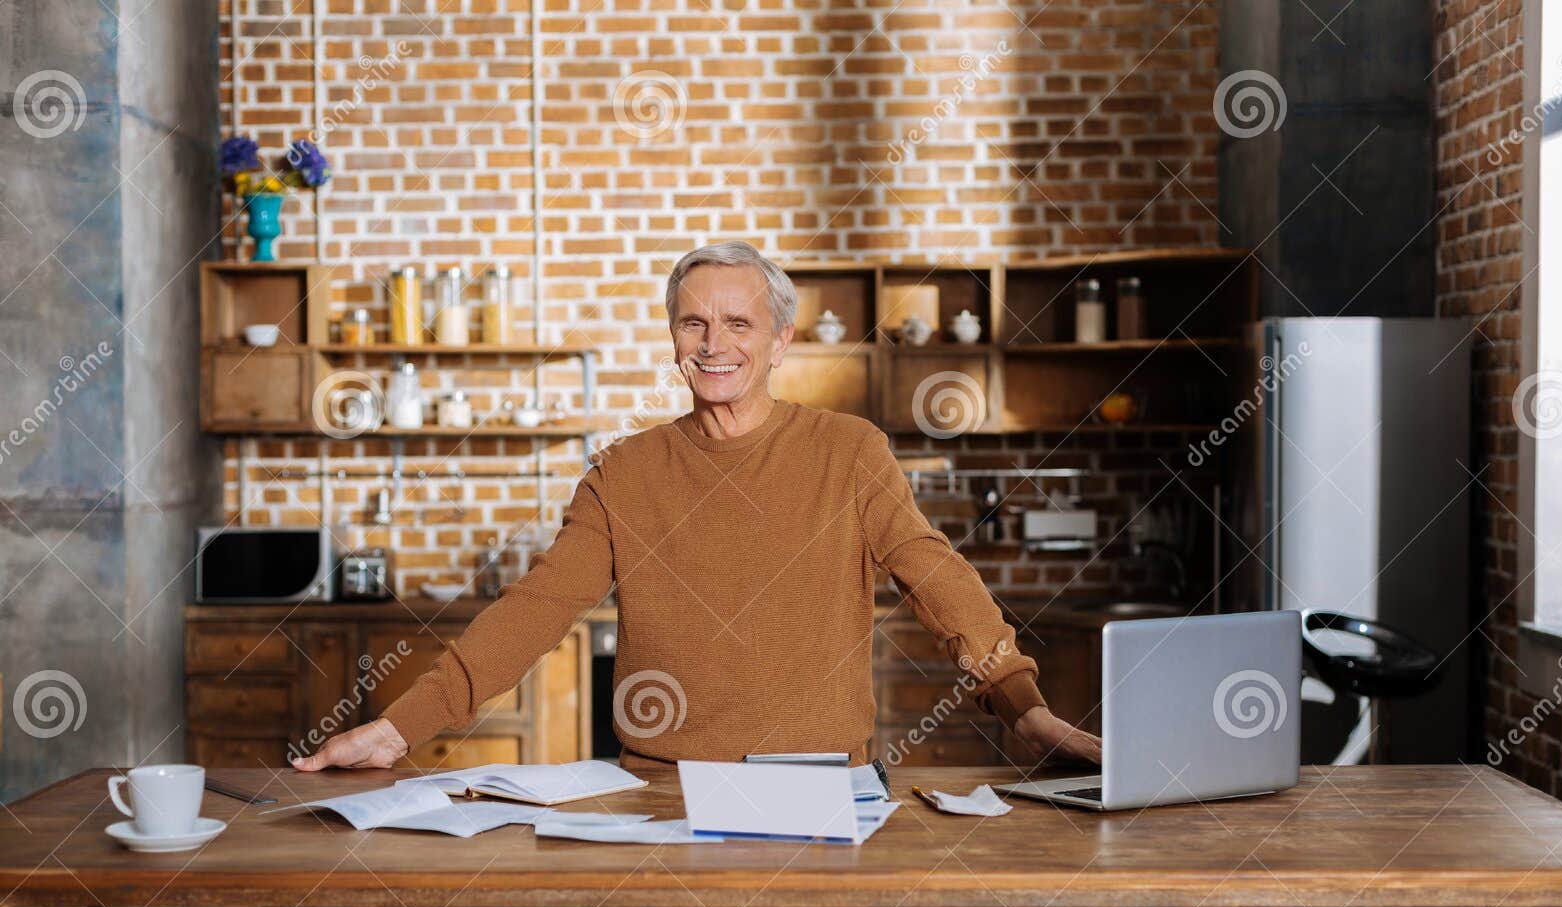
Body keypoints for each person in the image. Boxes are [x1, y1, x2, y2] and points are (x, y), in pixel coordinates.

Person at [291, 241, 1102, 774]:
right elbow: (535, 609)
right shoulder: (624, 470)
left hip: (821, 787)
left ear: (780, 340)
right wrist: (400, 726)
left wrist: (1019, 704)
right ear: (675, 338)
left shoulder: (850, 451)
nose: (714, 343)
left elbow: (937, 578)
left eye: (739, 323)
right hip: (659, 792)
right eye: (695, 322)